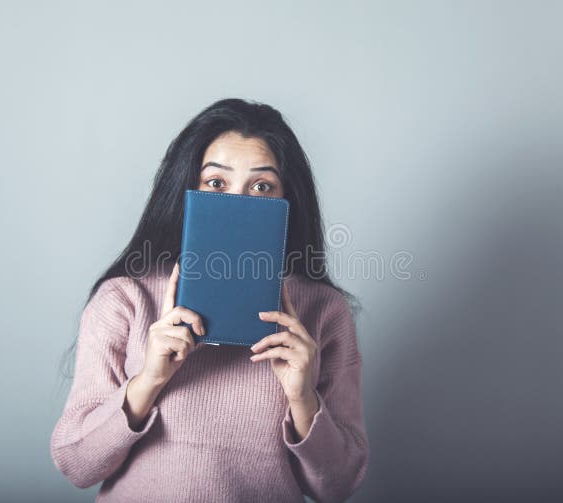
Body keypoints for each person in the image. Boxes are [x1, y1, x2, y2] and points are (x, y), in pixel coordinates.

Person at [50, 98, 369, 502]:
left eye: (261, 186)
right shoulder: (124, 300)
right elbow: (76, 465)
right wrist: (148, 381)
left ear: (287, 201)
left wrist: (303, 399)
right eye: (215, 183)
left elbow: (338, 486)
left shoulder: (324, 312)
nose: (236, 203)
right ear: (187, 190)